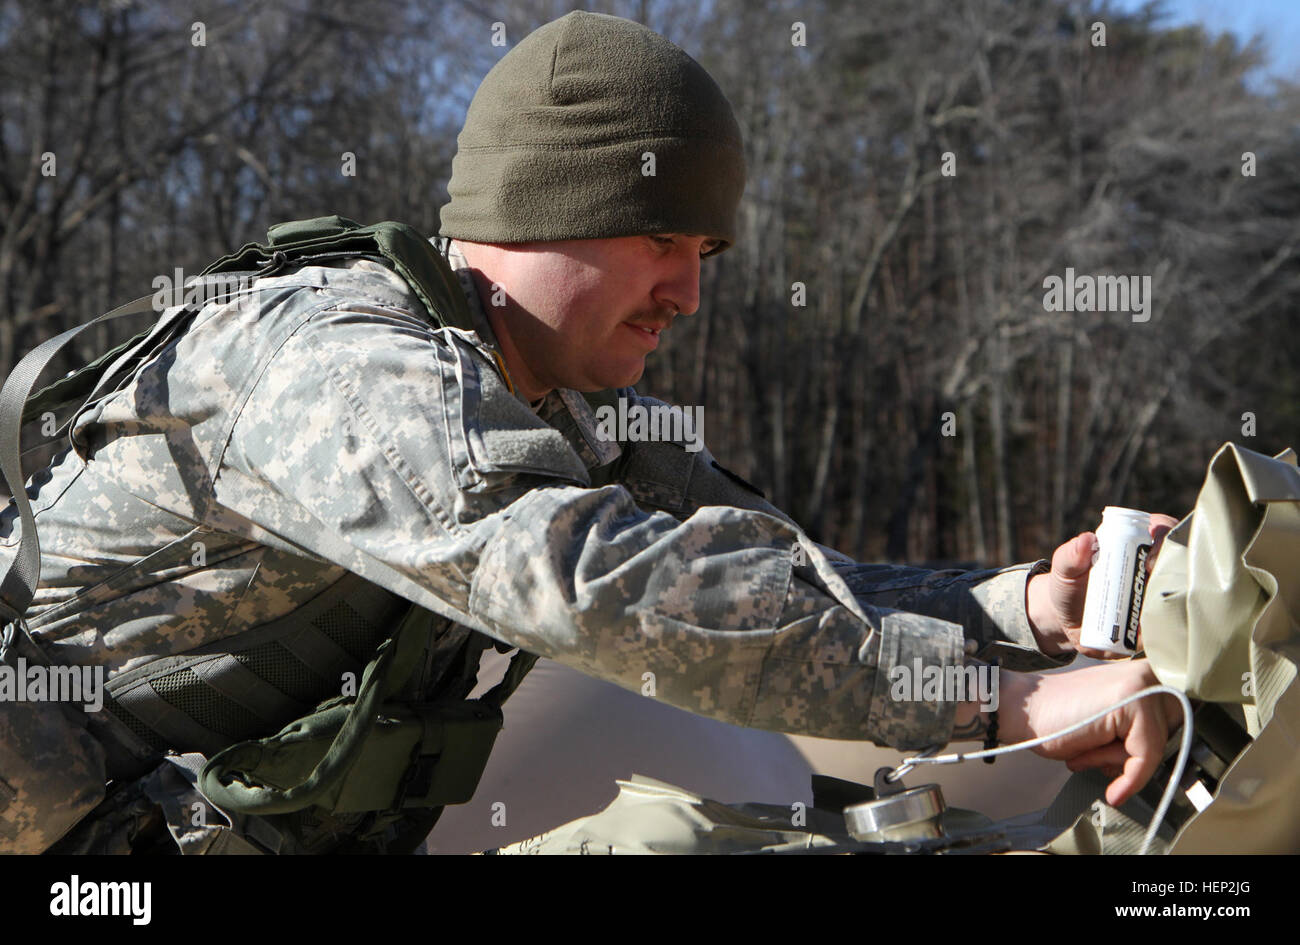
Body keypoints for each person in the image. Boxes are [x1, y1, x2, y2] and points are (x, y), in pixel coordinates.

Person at [2, 11, 1181, 855]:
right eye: (662, 241)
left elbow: (739, 572)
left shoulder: (533, 393)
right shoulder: (343, 364)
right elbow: (585, 586)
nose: (688, 293)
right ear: (547, 210)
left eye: (705, 254)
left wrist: (1018, 606)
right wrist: (999, 701)